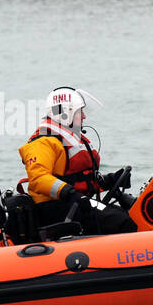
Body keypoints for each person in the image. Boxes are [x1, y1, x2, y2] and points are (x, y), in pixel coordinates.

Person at [18, 86, 136, 237]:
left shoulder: (67, 139)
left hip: (74, 204)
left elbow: (77, 179)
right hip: (55, 209)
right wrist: (70, 193)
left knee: (125, 214)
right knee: (121, 222)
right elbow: (38, 179)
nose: (84, 116)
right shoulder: (43, 143)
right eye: (80, 112)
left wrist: (108, 181)